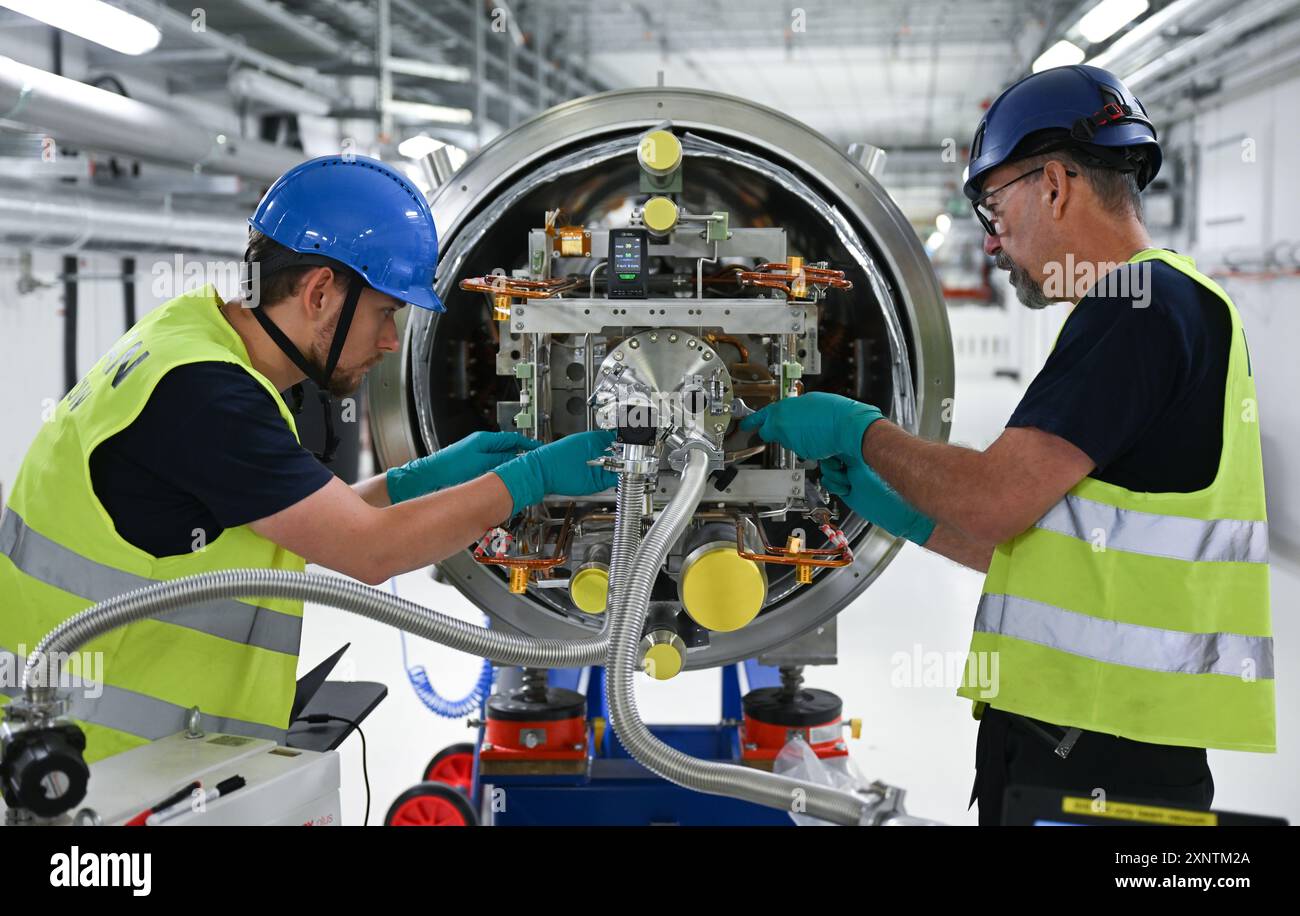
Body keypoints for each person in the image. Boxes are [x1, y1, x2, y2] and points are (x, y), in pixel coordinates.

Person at [740, 65, 1274, 825]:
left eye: (994, 205)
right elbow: (1052, 545)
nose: (994, 243)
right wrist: (902, 514)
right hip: (1110, 744)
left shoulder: (1136, 307)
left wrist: (857, 428)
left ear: (1054, 183)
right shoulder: (1172, 303)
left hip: (1101, 758)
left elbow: (994, 501)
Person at [0, 154, 615, 763]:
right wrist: (527, 480)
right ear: (321, 291)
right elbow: (369, 551)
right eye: (385, 312)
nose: (391, 341)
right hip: (97, 770)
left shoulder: (191, 345)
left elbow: (318, 520)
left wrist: (423, 478)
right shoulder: (205, 394)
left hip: (135, 758)